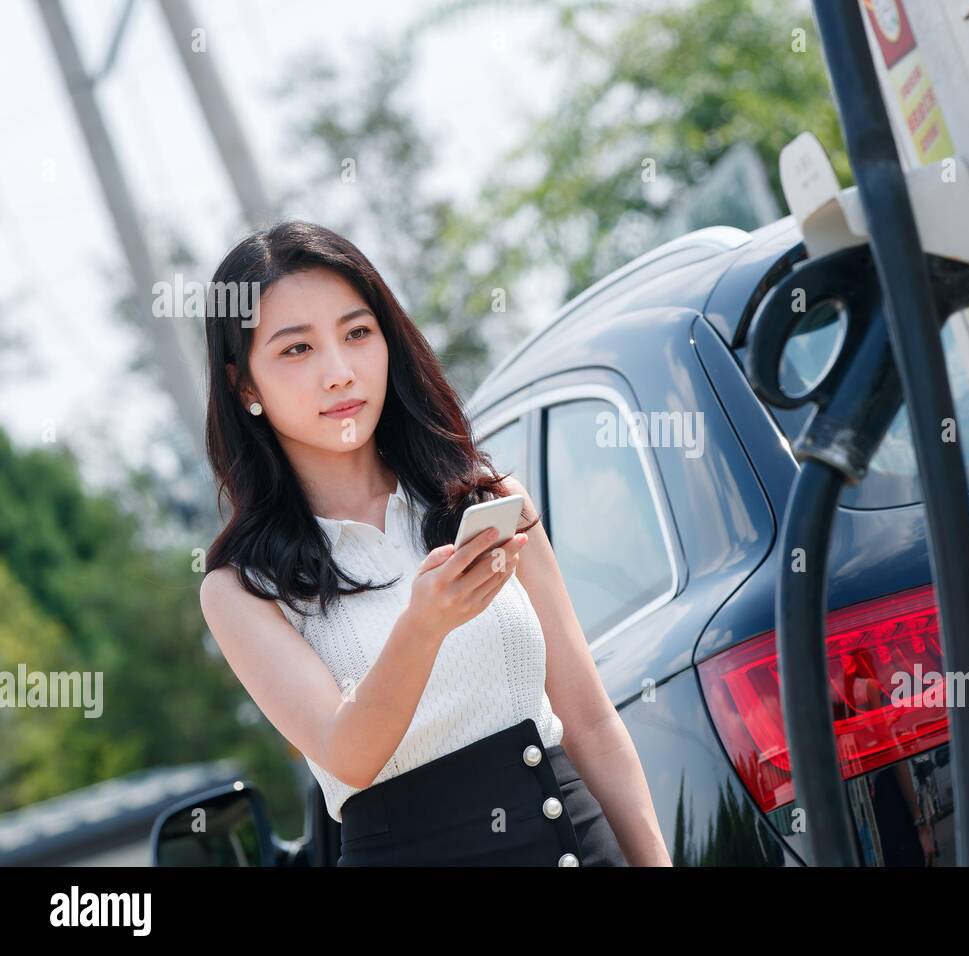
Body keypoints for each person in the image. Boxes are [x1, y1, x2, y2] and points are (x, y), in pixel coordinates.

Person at [197, 220, 671, 866]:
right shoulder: (241, 589)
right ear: (244, 386)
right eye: (296, 350)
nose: (339, 373)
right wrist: (422, 627)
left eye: (357, 333)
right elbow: (349, 753)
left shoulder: (488, 502)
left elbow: (589, 721)